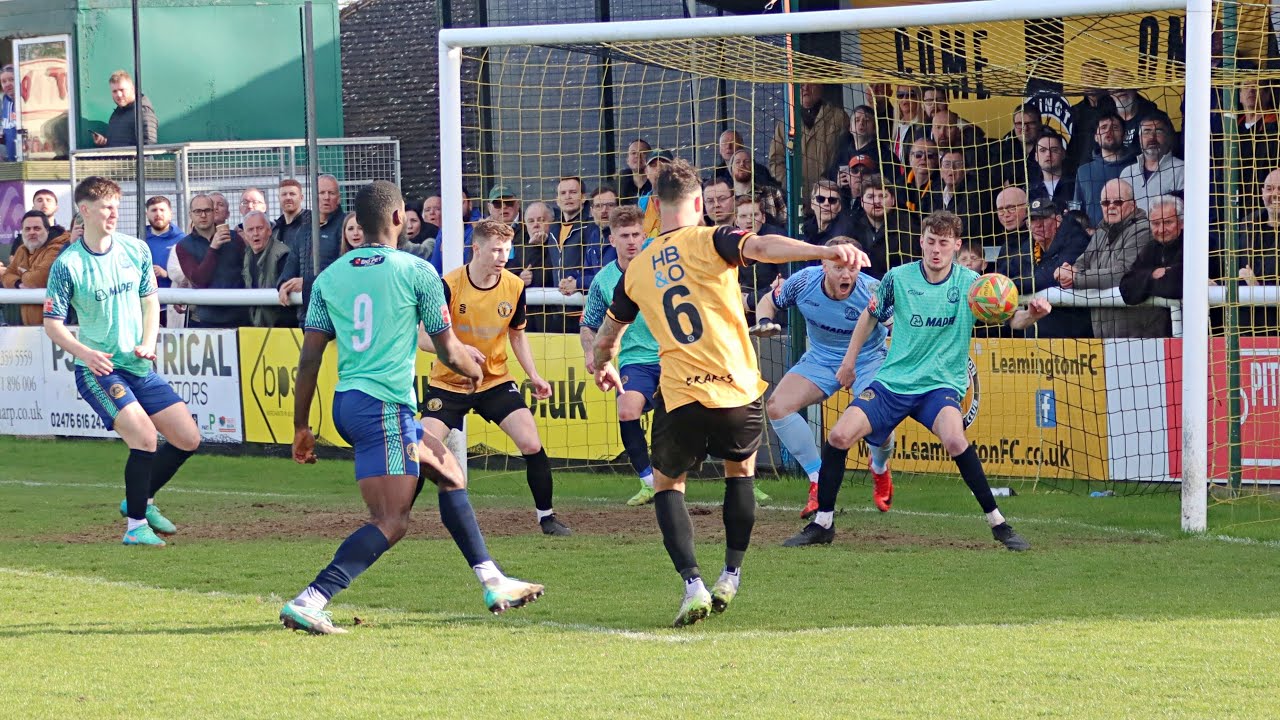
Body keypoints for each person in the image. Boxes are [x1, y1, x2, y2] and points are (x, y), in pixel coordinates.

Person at [590, 158, 870, 626]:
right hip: (737, 389)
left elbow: (605, 337)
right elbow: (762, 245)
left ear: (655, 207)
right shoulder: (713, 239)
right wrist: (824, 252)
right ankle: (731, 575)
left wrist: (602, 366)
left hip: (681, 395)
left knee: (667, 485)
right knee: (740, 475)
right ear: (699, 204)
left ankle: (692, 584)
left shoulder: (635, 269)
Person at [280, 180, 542, 635]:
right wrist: (475, 370)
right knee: (391, 522)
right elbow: (448, 350)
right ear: (400, 218)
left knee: (449, 473)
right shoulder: (417, 271)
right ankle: (311, 598)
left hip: (350, 403)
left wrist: (302, 425)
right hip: (384, 406)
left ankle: (492, 579)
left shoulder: (329, 277)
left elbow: (309, 359)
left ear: (357, 225)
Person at [782, 210, 1049, 551]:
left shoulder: (972, 284)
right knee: (838, 435)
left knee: (954, 439)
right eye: (932, 242)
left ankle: (999, 524)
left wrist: (1032, 315)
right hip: (893, 382)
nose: (937, 250)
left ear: (957, 245)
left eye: (945, 243)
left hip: (940, 385)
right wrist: (849, 362)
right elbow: (870, 315)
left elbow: (1013, 320)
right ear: (921, 242)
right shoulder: (898, 278)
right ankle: (823, 524)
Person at [43, 176, 201, 547]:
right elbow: (52, 325)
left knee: (187, 438)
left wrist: (149, 341)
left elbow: (151, 301)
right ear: (85, 211)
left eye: (117, 205)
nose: (114, 212)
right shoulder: (68, 265)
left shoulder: (136, 250)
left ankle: (139, 501)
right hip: (100, 370)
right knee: (145, 438)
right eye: (105, 207)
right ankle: (134, 528)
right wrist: (85, 352)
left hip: (139, 367)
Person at [419, 219, 570, 536]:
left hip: (494, 381)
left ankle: (547, 518)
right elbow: (423, 338)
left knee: (530, 443)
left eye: (507, 249)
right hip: (449, 383)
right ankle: (397, 516)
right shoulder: (449, 285)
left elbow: (517, 335)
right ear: (476, 248)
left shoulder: (514, 286)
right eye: (496, 250)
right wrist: (459, 350)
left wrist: (534, 375)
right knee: (420, 449)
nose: (504, 256)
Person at [750, 236, 895, 518]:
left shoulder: (872, 290)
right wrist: (765, 321)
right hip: (821, 359)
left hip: (869, 360)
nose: (846, 274)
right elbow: (769, 300)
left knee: (881, 427)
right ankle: (818, 479)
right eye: (838, 267)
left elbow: (897, 327)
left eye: (852, 268)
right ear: (823, 265)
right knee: (777, 407)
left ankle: (879, 467)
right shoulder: (803, 282)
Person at [579, 206, 662, 506]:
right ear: (611, 239)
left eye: (636, 235)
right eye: (624, 235)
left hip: (673, 354)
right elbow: (589, 324)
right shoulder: (603, 280)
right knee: (627, 411)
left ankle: (743, 477)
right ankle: (649, 482)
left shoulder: (660, 269)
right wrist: (592, 354)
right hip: (635, 359)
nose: (631, 241)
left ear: (644, 236)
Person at [1055, 179, 1163, 338]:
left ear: (1132, 205)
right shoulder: (1101, 231)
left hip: (1139, 332)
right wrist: (1068, 272)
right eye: (1105, 203)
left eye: (1117, 202)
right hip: (1105, 333)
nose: (1111, 206)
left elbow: (1123, 274)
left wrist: (1075, 278)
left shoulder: (1143, 229)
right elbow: (1081, 262)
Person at [174, 193, 249, 328]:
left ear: (214, 213)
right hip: (204, 320)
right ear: (190, 215)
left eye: (207, 210)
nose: (203, 215)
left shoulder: (235, 238)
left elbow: (249, 272)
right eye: (198, 211)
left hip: (239, 317)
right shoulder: (183, 246)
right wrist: (213, 247)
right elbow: (199, 280)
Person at [769, 83, 849, 205]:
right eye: (800, 85)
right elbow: (775, 160)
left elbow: (847, 155)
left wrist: (834, 181)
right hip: (796, 202)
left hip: (830, 199)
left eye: (809, 83)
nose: (805, 88)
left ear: (820, 86)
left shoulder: (838, 118)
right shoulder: (785, 123)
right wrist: (788, 182)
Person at [1026, 199, 1093, 338]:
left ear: (1057, 221)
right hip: (1041, 329)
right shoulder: (1029, 245)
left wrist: (1013, 284)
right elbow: (1010, 269)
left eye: (1043, 219)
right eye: (1032, 220)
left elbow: (1047, 277)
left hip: (1074, 330)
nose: (1037, 225)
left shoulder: (1076, 240)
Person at [1120, 195, 1183, 330]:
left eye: (1168, 222)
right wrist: (1153, 275)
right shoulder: (1151, 247)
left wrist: (1144, 282)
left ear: (1182, 222)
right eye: (1155, 224)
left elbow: (1175, 286)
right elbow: (1127, 289)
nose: (1161, 230)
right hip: (1158, 336)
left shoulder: (1197, 245)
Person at [2, 210, 70, 324]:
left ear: (47, 230)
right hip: (30, 326)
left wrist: (23, 273)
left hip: (56, 324)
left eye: (37, 228)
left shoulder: (57, 246)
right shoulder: (22, 249)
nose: (32, 232)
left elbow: (37, 279)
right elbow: (6, 276)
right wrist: (18, 283)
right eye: (27, 229)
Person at [1073, 111, 1135, 227]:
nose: (1109, 131)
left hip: (1130, 237)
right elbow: (1079, 212)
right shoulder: (1083, 171)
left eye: (1115, 127)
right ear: (1096, 137)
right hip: (1094, 240)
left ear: (1125, 135)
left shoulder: (1136, 167)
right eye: (1103, 127)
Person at [1118, 115, 1184, 213]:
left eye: (1158, 131)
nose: (1152, 137)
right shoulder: (1127, 173)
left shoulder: (1182, 170)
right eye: (1147, 131)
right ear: (1140, 139)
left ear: (1168, 137)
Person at [240, 211, 293, 328]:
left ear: (269, 231)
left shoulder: (282, 255)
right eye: (250, 230)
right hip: (256, 328)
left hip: (280, 329)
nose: (255, 233)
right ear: (244, 234)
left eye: (259, 228)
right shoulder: (246, 255)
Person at [92, 70, 157, 148]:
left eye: (122, 90)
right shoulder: (117, 113)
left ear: (133, 89)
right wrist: (104, 142)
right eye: (114, 91)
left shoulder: (143, 111)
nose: (119, 95)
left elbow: (149, 146)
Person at [1, 65, 15, 161]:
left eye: (11, 79)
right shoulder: (4, 101)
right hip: (11, 163)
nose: (7, 84)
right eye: (4, 81)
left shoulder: (25, 102)